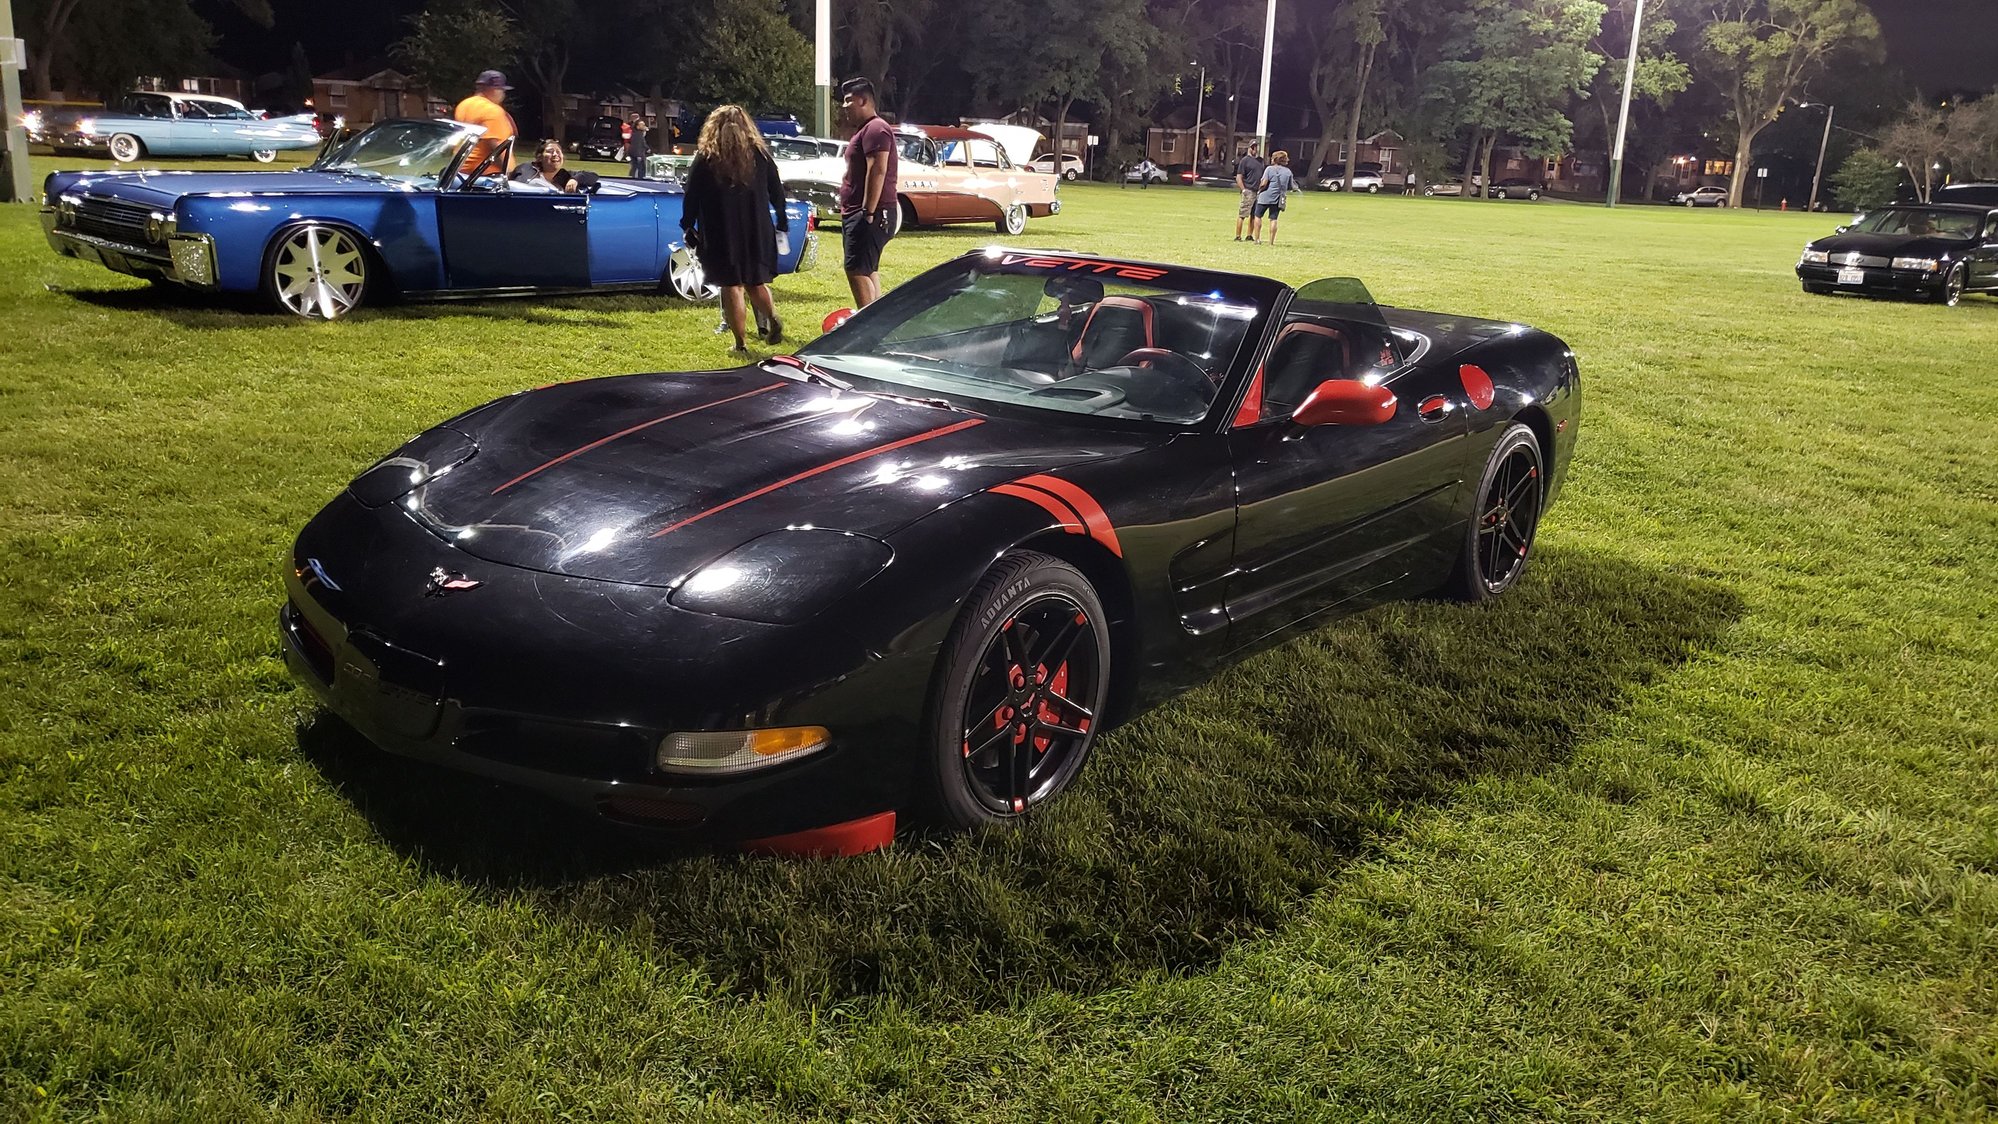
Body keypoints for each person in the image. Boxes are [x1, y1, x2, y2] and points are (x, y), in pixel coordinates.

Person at [680, 105, 788, 358]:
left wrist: (687, 224)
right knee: (755, 282)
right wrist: (781, 221)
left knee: (732, 286)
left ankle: (740, 343)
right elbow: (777, 191)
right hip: (756, 227)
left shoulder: (707, 157)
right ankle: (772, 317)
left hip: (722, 229)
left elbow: (691, 195)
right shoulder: (760, 155)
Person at [837, 76, 899, 309]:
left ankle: (865, 329)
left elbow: (878, 170)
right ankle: (874, 321)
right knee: (867, 269)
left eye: (848, 101)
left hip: (871, 211)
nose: (844, 108)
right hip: (865, 210)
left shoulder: (876, 128)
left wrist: (867, 211)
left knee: (856, 270)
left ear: (863, 100)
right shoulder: (868, 130)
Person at [454, 69, 516, 174]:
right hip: (485, 174)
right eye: (502, 90)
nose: (503, 95)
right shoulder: (492, 110)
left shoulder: (463, 105)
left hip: (460, 171)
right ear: (494, 89)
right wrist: (509, 173)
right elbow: (494, 147)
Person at [1249, 150, 1298, 244]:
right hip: (1278, 198)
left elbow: (1264, 183)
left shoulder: (1269, 169)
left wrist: (1259, 190)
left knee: (1258, 216)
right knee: (1273, 218)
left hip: (1265, 197)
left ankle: (1257, 239)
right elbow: (1291, 186)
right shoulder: (1288, 172)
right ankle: (1271, 241)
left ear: (1275, 159)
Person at [510, 140, 582, 192]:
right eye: (550, 151)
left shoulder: (564, 175)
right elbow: (516, 188)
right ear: (539, 157)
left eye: (558, 152)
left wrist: (575, 179)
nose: (555, 154)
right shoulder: (527, 169)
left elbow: (591, 176)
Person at [1232, 143, 1267, 240]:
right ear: (1250, 148)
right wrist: (1243, 189)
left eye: (1256, 147)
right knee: (1242, 214)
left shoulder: (1261, 161)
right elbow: (1239, 177)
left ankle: (1249, 235)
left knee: (1254, 214)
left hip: (1258, 191)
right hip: (1248, 190)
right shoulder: (1245, 161)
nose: (1255, 149)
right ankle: (1238, 236)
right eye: (1253, 147)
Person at [626, 113, 649, 180]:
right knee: (639, 168)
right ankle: (637, 179)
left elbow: (642, 142)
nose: (644, 126)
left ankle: (633, 178)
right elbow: (638, 144)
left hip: (636, 153)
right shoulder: (637, 134)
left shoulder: (638, 133)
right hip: (637, 154)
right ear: (638, 126)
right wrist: (639, 155)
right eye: (642, 125)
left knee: (635, 167)